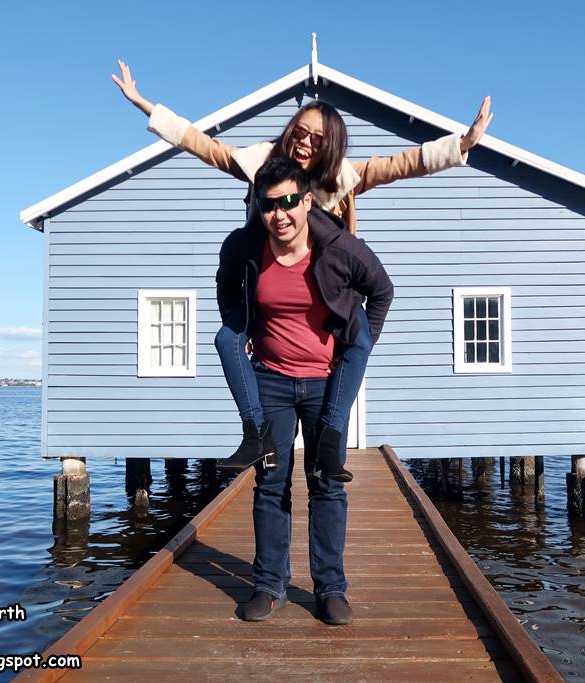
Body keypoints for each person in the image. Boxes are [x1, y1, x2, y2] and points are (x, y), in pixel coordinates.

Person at [111, 60, 493, 480]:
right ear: (290, 130)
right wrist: (148, 107)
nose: (307, 142)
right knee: (226, 339)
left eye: (318, 137)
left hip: (325, 295)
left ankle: (331, 436)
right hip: (266, 287)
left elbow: (400, 163)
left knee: (359, 338)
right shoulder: (261, 165)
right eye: (301, 131)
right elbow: (206, 146)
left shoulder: (341, 179)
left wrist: (461, 143)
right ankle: (254, 431)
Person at [216, 155, 393, 624]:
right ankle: (268, 585)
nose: (280, 214)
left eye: (290, 202)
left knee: (326, 483)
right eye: (269, 205)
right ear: (259, 207)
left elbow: (382, 290)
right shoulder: (247, 246)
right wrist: (240, 326)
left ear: (307, 200)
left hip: (323, 382)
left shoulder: (338, 248)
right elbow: (225, 285)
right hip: (270, 379)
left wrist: (359, 342)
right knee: (270, 482)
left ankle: (330, 588)